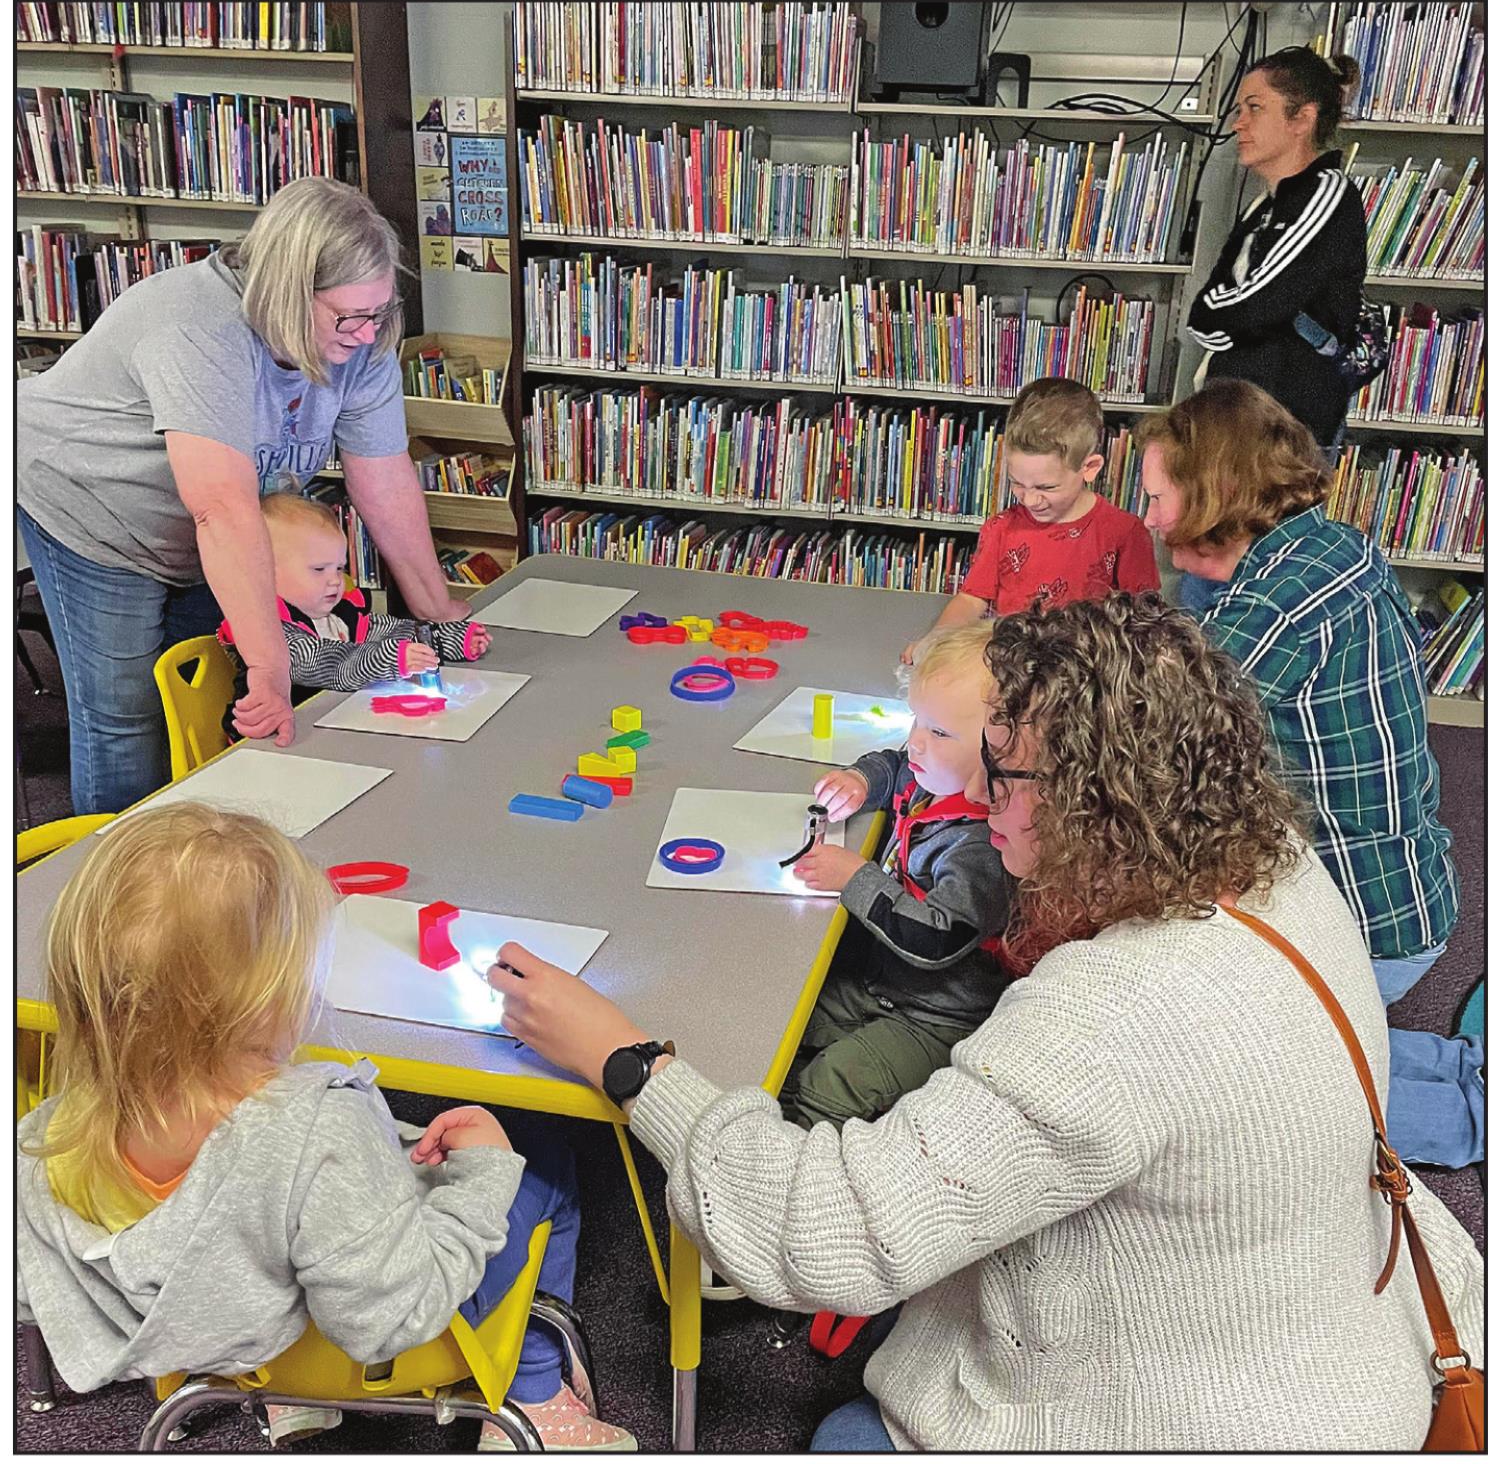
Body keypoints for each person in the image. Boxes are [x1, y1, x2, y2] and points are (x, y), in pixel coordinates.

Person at [486, 592, 1483, 1450]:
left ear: (1096, 799)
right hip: (1334, 1307)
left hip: (1210, 1411)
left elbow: (822, 1238)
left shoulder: (1114, 1009)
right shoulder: (1273, 856)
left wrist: (628, 1062)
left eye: (1002, 770)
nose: (970, 791)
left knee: (852, 1427)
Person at [15, 804, 635, 1452]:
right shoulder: (318, 1126)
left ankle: (289, 1397)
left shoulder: (48, 1138)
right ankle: (534, 1397)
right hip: (393, 1336)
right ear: (268, 999)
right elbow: (394, 1316)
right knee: (543, 1159)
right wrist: (478, 1175)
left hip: (238, 1339)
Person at [17, 176, 470, 816]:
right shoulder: (196, 329)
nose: (368, 336)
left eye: (381, 313)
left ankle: (206, 861)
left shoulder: (362, 335)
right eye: (350, 317)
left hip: (214, 525)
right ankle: (118, 893)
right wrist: (272, 661)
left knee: (212, 696)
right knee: (128, 714)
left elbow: (384, 474)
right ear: (287, 292)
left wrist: (437, 609)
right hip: (93, 508)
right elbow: (222, 510)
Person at [1138, 380, 1475, 1169]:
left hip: (1365, 918)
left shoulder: (1279, 606)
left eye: (1157, 497)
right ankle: (1458, 1071)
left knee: (1233, 1085)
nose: (1148, 519)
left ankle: (1466, 1121)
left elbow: (1149, 744)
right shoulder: (1324, 545)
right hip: (1409, 886)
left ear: (1213, 491)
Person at [786, 622, 1017, 1130]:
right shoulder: (931, 772)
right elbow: (893, 765)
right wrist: (859, 780)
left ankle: (798, 1181)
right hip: (882, 983)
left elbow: (935, 938)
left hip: (938, 1018)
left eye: (937, 732)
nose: (915, 743)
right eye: (916, 721)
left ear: (999, 750)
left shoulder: (983, 844)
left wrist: (856, 878)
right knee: (783, 1030)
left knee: (828, 1089)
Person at [1186, 47, 1366, 454]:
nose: (1238, 125)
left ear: (1302, 118)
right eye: (1238, 110)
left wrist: (1219, 315)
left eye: (1254, 108)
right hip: (1238, 406)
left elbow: (1261, 300)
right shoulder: (1264, 205)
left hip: (1285, 422)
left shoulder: (1327, 192)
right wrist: (1219, 315)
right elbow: (1207, 308)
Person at [903, 378, 1158, 663]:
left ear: (1090, 468)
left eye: (1046, 488)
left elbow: (1144, 624)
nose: (1029, 500)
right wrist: (936, 641)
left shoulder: (1125, 533)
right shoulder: (1001, 528)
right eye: (1017, 484)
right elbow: (972, 599)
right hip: (1011, 671)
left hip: (1085, 684)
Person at [217, 492, 492, 738]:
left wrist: (449, 639)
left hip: (330, 726)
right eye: (319, 570)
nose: (336, 580)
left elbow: (391, 630)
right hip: (272, 746)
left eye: (338, 568)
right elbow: (329, 663)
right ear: (266, 572)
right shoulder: (267, 629)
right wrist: (391, 659)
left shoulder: (336, 613)